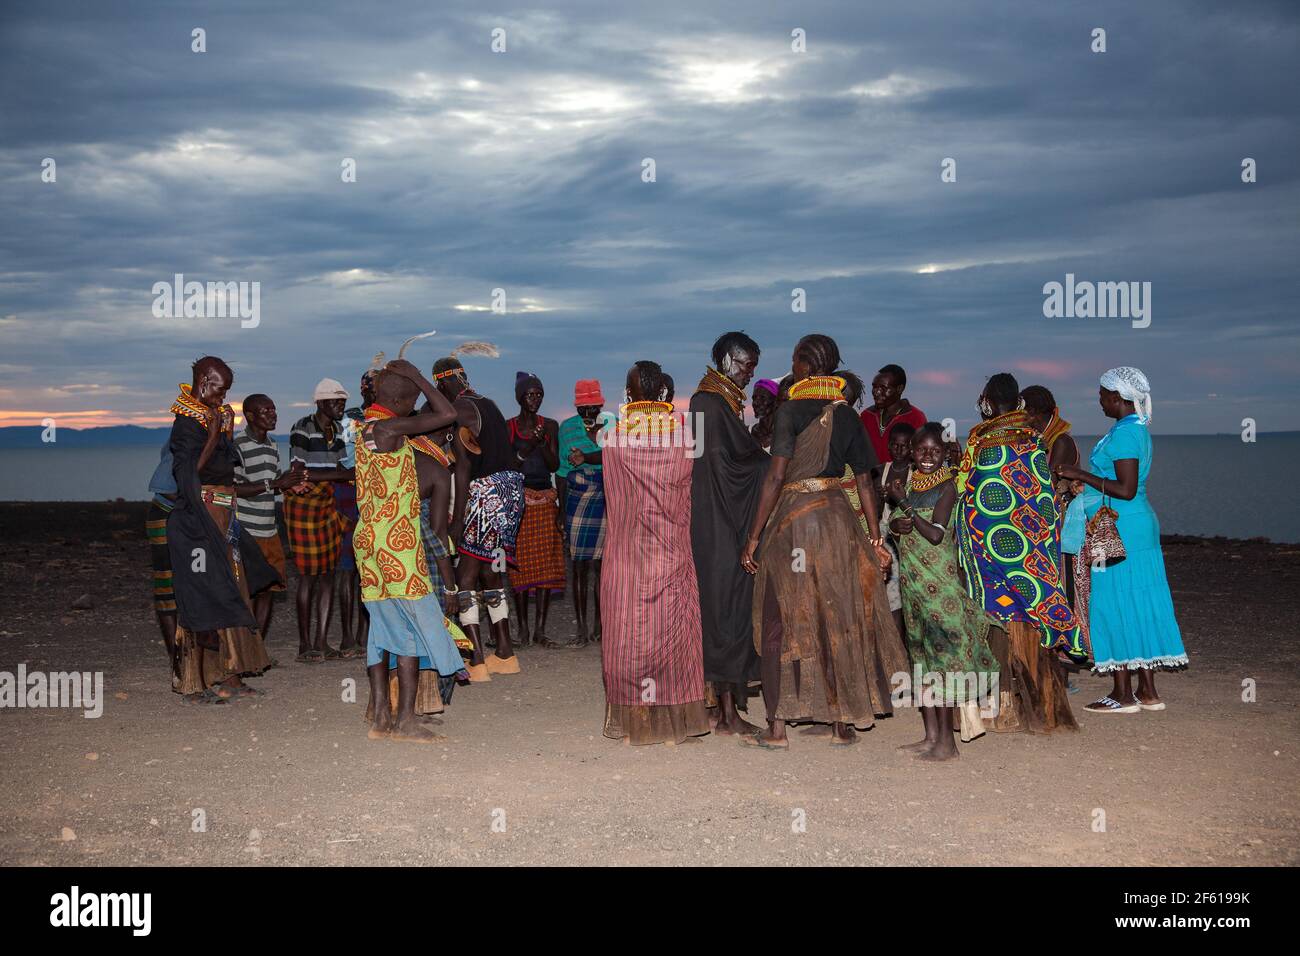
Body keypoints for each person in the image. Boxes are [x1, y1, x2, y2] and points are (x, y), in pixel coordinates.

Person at [741, 335, 907, 749]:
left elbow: (776, 477)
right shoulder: (848, 415)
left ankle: (777, 728)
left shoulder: (789, 411)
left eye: (795, 361)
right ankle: (842, 723)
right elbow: (866, 481)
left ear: (803, 364)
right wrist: (874, 536)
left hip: (793, 522)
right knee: (837, 615)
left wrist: (753, 536)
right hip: (836, 520)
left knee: (781, 620)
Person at [1054, 367, 1187, 713]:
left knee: (1110, 601)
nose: (1098, 400)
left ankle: (1122, 694)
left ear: (1117, 397)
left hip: (1118, 527)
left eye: (1102, 394)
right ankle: (1147, 690)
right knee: (1139, 601)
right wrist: (1092, 482)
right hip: (1135, 524)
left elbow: (1125, 490)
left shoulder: (1126, 435)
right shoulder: (1133, 429)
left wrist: (1078, 473)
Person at [954, 372, 1079, 733]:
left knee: (999, 626)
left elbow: (973, 494)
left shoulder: (986, 443)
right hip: (1031, 552)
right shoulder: (1033, 441)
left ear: (988, 404)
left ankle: (1003, 706)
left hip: (993, 553)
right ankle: (1041, 705)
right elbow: (1043, 499)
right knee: (1030, 621)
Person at [354, 359, 467, 742]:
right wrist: (420, 377)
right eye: (414, 398)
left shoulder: (364, 427)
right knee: (411, 628)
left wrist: (405, 381)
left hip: (368, 542)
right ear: (403, 401)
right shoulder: (391, 427)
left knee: (381, 628)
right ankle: (405, 719)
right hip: (397, 545)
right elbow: (447, 413)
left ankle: (381, 717)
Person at [601, 361, 708, 745]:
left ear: (628, 395)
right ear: (664, 393)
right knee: (671, 637)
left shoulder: (612, 436)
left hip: (627, 554)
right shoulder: (683, 434)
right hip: (670, 550)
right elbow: (688, 492)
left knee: (628, 638)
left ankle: (635, 726)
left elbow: (615, 498)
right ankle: (672, 724)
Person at [166, 358, 278, 702]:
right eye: (219, 388)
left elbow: (227, 469)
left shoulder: (217, 416)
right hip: (199, 518)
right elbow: (188, 475)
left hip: (224, 514)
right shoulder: (187, 425)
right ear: (203, 381)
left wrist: (220, 429)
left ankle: (231, 675)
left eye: (226, 389)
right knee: (202, 597)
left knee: (236, 591)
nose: (223, 395)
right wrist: (213, 435)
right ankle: (193, 682)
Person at [890, 423, 1000, 760]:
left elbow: (937, 534)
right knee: (922, 663)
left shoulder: (948, 488)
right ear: (912, 452)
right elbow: (896, 526)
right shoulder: (910, 484)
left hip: (942, 592)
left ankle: (947, 745)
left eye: (934, 451)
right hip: (915, 588)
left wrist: (904, 506)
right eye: (921, 450)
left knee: (943, 666)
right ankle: (930, 736)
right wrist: (898, 523)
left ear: (944, 453)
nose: (927, 457)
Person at [690, 332, 769, 736]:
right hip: (716, 523)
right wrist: (767, 464)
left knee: (728, 613)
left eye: (753, 367)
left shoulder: (720, 401)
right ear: (724, 360)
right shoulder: (706, 403)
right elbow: (723, 464)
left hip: (723, 520)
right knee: (722, 615)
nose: (749, 374)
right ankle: (726, 714)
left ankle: (725, 709)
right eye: (743, 365)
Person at [433, 354, 524, 678]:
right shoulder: (489, 404)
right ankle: (505, 653)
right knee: (491, 573)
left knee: (465, 578)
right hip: (512, 492)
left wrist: (457, 521)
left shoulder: (458, 410)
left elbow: (464, 469)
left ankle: (476, 660)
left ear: (442, 382)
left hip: (486, 495)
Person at [284, 379, 355, 663]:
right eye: (336, 402)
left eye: (342, 403)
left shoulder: (337, 430)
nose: (340, 407)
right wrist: (343, 477)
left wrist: (342, 476)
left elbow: (336, 468)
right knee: (308, 576)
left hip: (327, 502)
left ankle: (321, 642)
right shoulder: (303, 427)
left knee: (327, 573)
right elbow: (300, 474)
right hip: (305, 503)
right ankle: (304, 645)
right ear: (321, 402)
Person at [233, 394, 306, 651]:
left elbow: (272, 484)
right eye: (265, 410)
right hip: (246, 530)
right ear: (250, 416)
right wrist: (275, 484)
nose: (272, 414)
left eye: (274, 409)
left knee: (268, 592)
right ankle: (242, 653)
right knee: (247, 593)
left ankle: (255, 651)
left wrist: (290, 485)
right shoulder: (237, 445)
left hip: (269, 530)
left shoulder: (273, 446)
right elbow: (233, 488)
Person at [1021, 384, 1085, 657]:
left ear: (1034, 413)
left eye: (1024, 414)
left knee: (1062, 587)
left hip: (1061, 524)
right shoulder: (1047, 438)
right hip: (1051, 523)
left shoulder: (1060, 441)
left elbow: (1046, 484)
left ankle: (1067, 651)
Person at [507, 372, 565, 646]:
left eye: (539, 394)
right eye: (530, 394)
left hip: (544, 498)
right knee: (520, 566)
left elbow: (554, 466)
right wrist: (530, 445)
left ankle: (539, 629)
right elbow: (509, 465)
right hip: (519, 499)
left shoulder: (550, 426)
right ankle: (522, 629)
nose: (535, 399)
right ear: (520, 396)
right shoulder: (510, 428)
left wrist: (542, 446)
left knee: (543, 566)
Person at [556, 379, 614, 646]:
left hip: (605, 496)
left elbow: (614, 457)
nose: (589, 413)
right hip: (577, 499)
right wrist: (561, 510)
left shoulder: (611, 423)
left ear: (601, 405)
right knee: (578, 566)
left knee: (602, 566)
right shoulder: (567, 428)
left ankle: (600, 624)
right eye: (584, 409)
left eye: (593, 408)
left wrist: (589, 452)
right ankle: (581, 627)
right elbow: (562, 472)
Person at [146, 438, 179, 673]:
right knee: (168, 587)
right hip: (167, 513)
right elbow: (167, 488)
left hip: (186, 516)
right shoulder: (182, 440)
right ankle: (177, 658)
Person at [860, 364, 927, 465]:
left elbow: (921, 455)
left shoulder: (915, 417)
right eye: (874, 387)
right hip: (869, 479)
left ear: (900, 389)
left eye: (883, 388)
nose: (876, 392)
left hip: (902, 479)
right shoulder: (866, 415)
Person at [750, 378, 780, 449]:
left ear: (775, 401)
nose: (755, 403)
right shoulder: (751, 431)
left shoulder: (783, 432)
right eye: (754, 398)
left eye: (763, 398)